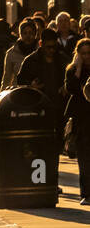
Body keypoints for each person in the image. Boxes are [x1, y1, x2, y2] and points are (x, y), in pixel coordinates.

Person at [17, 28, 69, 127]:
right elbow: (20, 81)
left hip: (60, 107)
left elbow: (72, 78)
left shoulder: (63, 59)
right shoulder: (30, 61)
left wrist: (66, 86)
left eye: (54, 47)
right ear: (41, 44)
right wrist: (30, 86)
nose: (51, 50)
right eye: (48, 47)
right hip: (38, 107)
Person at [64, 38, 90, 205]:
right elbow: (71, 88)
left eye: (89, 53)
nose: (87, 56)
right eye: (83, 54)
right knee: (84, 157)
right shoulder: (72, 70)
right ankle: (86, 193)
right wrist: (78, 68)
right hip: (81, 118)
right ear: (78, 55)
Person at [1, 18, 39, 90]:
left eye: (31, 33)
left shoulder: (40, 52)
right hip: (18, 93)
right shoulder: (11, 53)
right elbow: (7, 78)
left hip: (37, 93)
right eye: (25, 33)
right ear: (20, 35)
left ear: (35, 35)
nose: (28, 36)